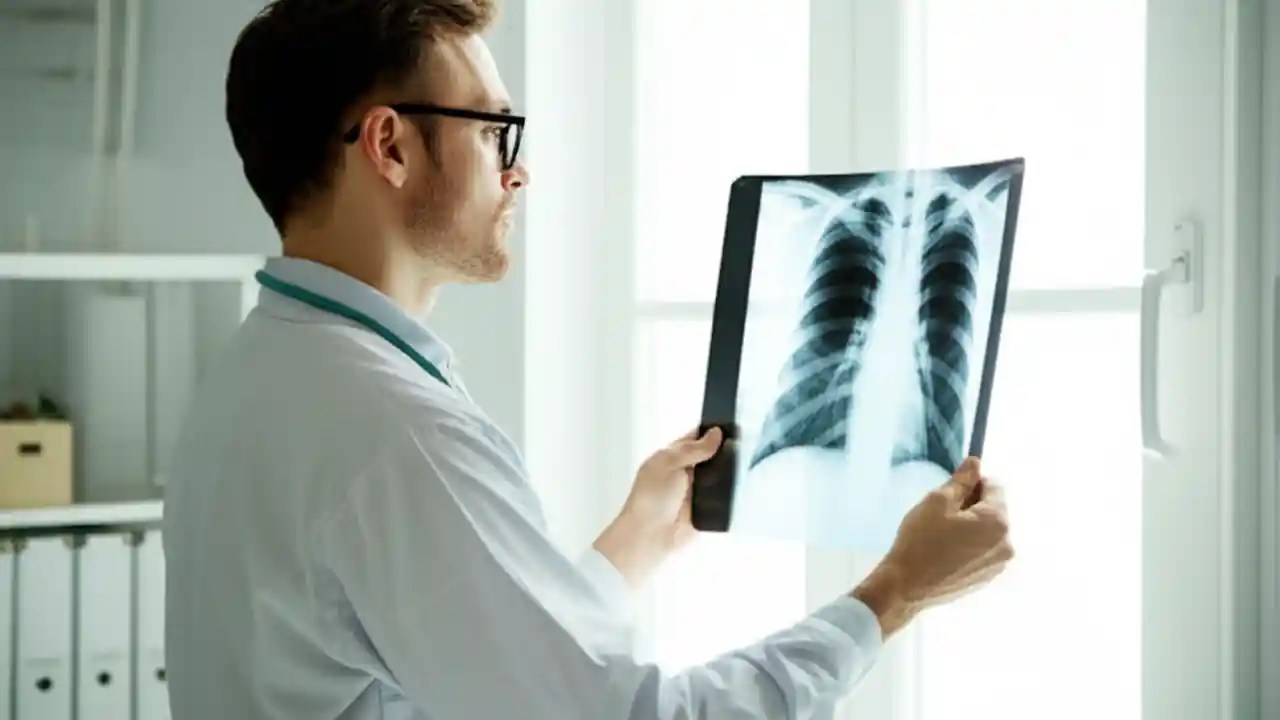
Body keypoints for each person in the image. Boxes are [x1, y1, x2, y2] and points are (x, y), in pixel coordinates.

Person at [161, 1, 1015, 718]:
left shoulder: (254, 377)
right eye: (497, 131)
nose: (519, 170)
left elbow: (477, 657)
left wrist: (639, 537)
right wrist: (894, 593)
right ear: (389, 146)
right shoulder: (393, 429)